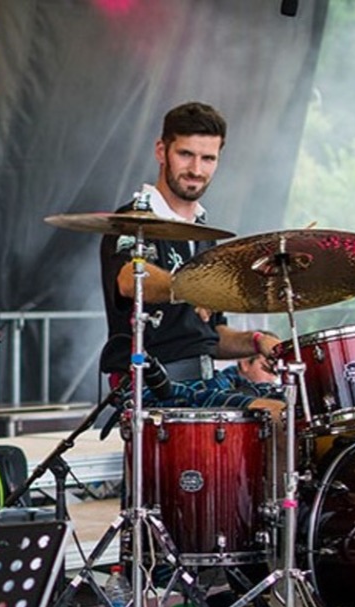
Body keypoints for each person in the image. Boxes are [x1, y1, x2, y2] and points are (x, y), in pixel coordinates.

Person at [98, 101, 283, 418]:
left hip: (203, 378)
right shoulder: (132, 222)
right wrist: (191, 286)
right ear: (161, 151)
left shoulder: (205, 234)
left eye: (208, 158)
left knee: (298, 408)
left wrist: (257, 341)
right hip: (152, 386)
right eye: (186, 154)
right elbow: (130, 281)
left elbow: (211, 336)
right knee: (273, 414)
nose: (197, 169)